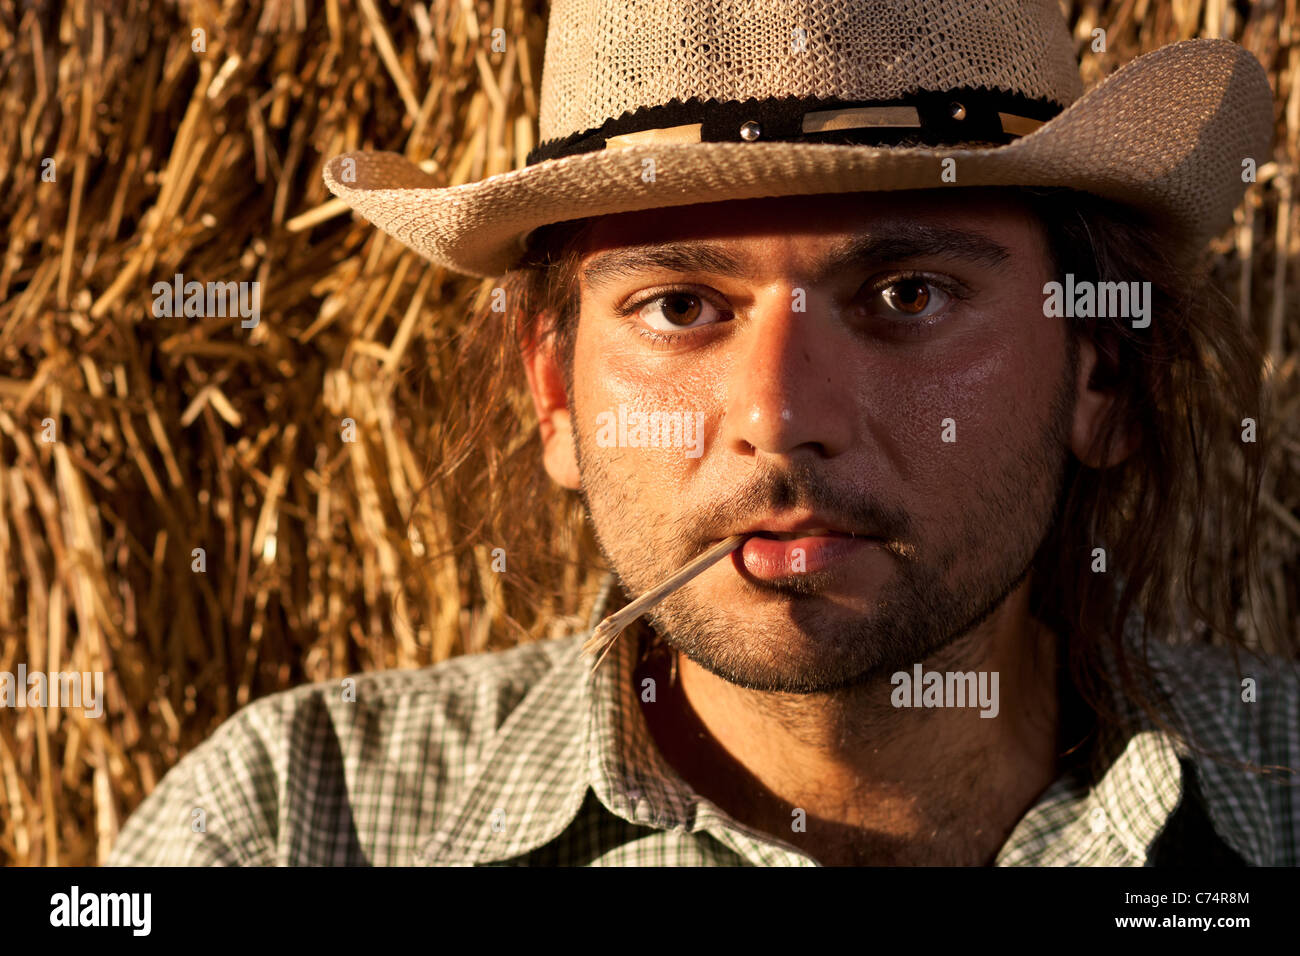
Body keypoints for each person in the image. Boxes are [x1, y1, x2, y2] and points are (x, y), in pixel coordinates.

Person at [109, 0, 1298, 866]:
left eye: (907, 296)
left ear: (1099, 370)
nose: (780, 419)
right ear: (555, 396)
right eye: (680, 307)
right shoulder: (288, 823)